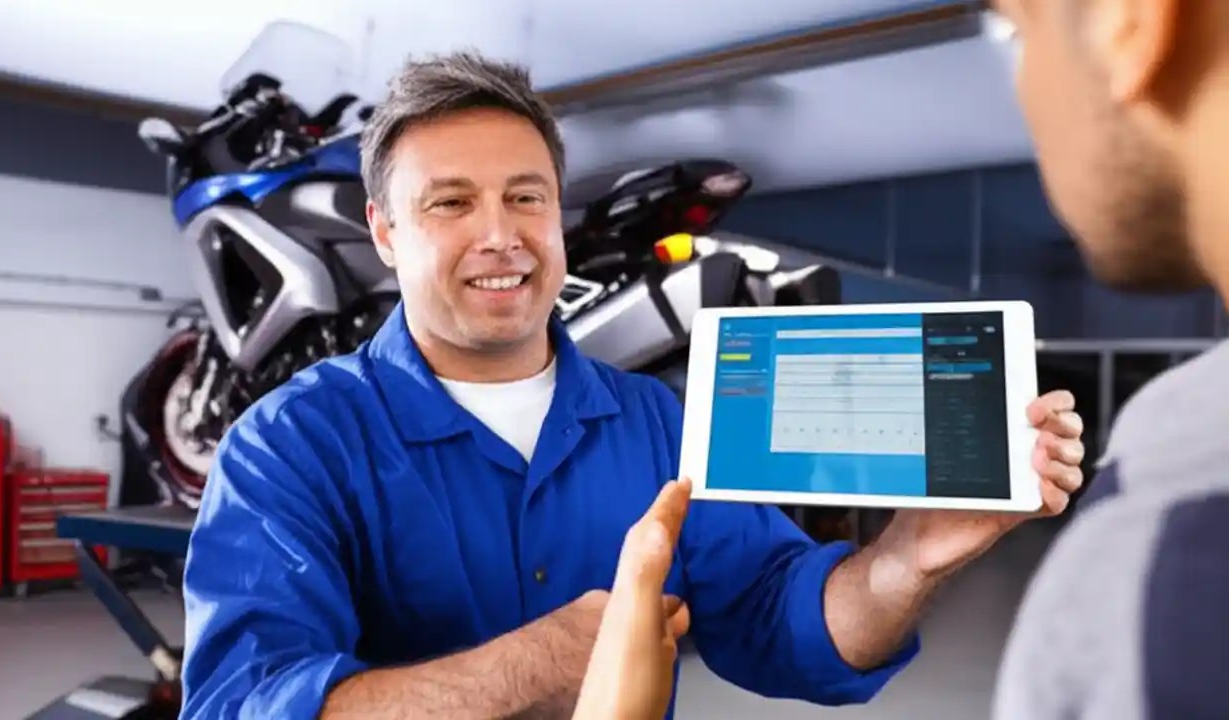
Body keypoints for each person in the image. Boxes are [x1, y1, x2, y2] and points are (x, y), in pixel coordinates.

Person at [177, 50, 1086, 719]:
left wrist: (906, 558)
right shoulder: (289, 445)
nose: (501, 235)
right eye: (450, 202)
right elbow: (242, 705)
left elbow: (785, 623)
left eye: (527, 197)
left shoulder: (655, 422)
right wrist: (541, 661)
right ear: (384, 232)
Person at [983, 1, 1229, 718]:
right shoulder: (1168, 417)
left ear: (1128, 22)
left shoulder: (1162, 574)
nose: (1027, 84)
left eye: (1018, 30)